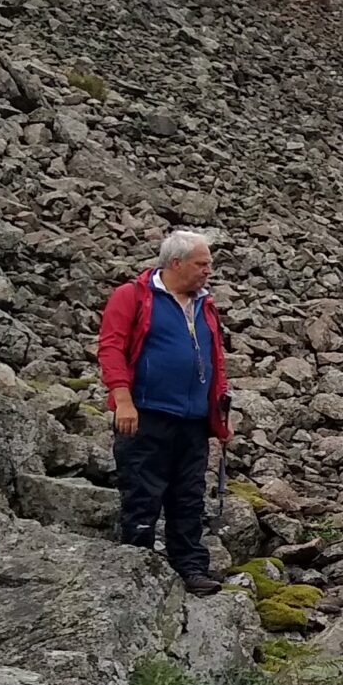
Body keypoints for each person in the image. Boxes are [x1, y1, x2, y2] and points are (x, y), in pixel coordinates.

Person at [96, 229, 232, 595]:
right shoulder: (133, 297)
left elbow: (214, 361)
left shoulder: (204, 304)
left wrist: (218, 414)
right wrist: (123, 400)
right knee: (142, 493)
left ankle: (190, 567)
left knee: (188, 496)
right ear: (176, 263)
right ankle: (136, 567)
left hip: (193, 421)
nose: (208, 270)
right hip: (146, 414)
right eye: (201, 264)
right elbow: (111, 349)